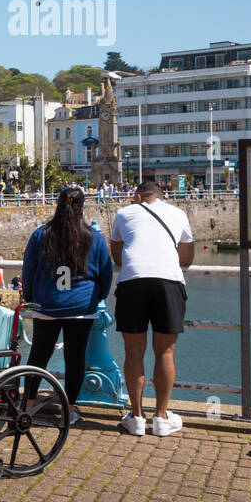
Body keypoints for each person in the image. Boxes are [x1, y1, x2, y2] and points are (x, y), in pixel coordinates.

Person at [109, 181, 195, 437]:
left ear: (137, 196)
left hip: (133, 282)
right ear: (162, 196)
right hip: (168, 281)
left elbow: (117, 256)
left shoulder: (124, 213)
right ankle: (161, 417)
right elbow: (187, 259)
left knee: (134, 352)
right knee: (165, 351)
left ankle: (136, 417)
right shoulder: (178, 213)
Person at [21, 187, 113, 422]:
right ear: (82, 208)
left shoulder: (42, 235)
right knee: (75, 358)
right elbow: (105, 274)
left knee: (38, 356)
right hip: (81, 308)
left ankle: (27, 405)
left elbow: (28, 271)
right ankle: (69, 409)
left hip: (47, 306)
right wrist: (96, 298)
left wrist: (32, 298)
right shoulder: (94, 238)